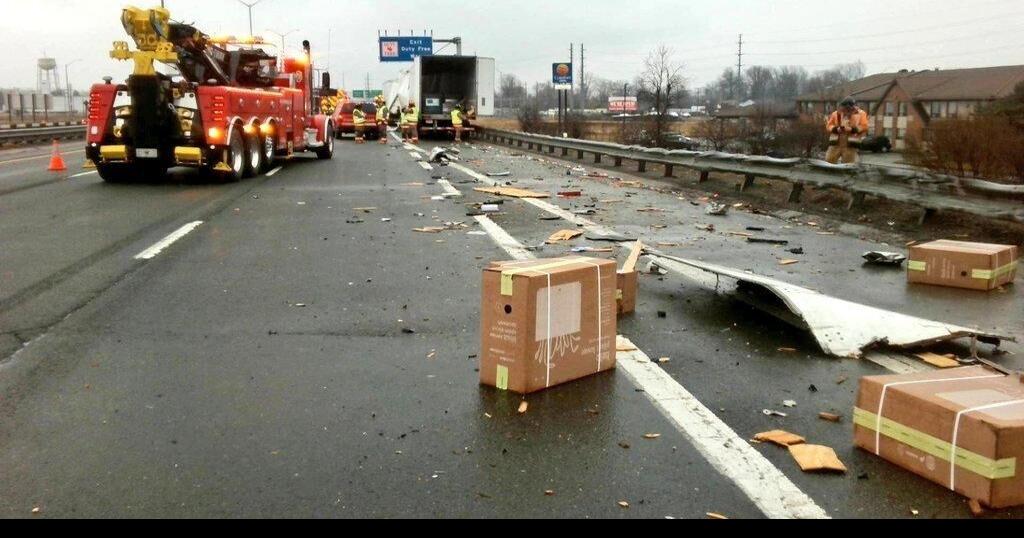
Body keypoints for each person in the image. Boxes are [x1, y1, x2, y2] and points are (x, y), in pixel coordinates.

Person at [825, 96, 869, 164]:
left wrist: (852, 129)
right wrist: (835, 129)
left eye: (848, 108)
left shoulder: (861, 114)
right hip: (836, 143)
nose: (846, 110)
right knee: (829, 161)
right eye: (844, 108)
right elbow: (829, 126)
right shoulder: (835, 114)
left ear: (853, 107)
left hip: (850, 144)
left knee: (848, 163)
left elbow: (864, 126)